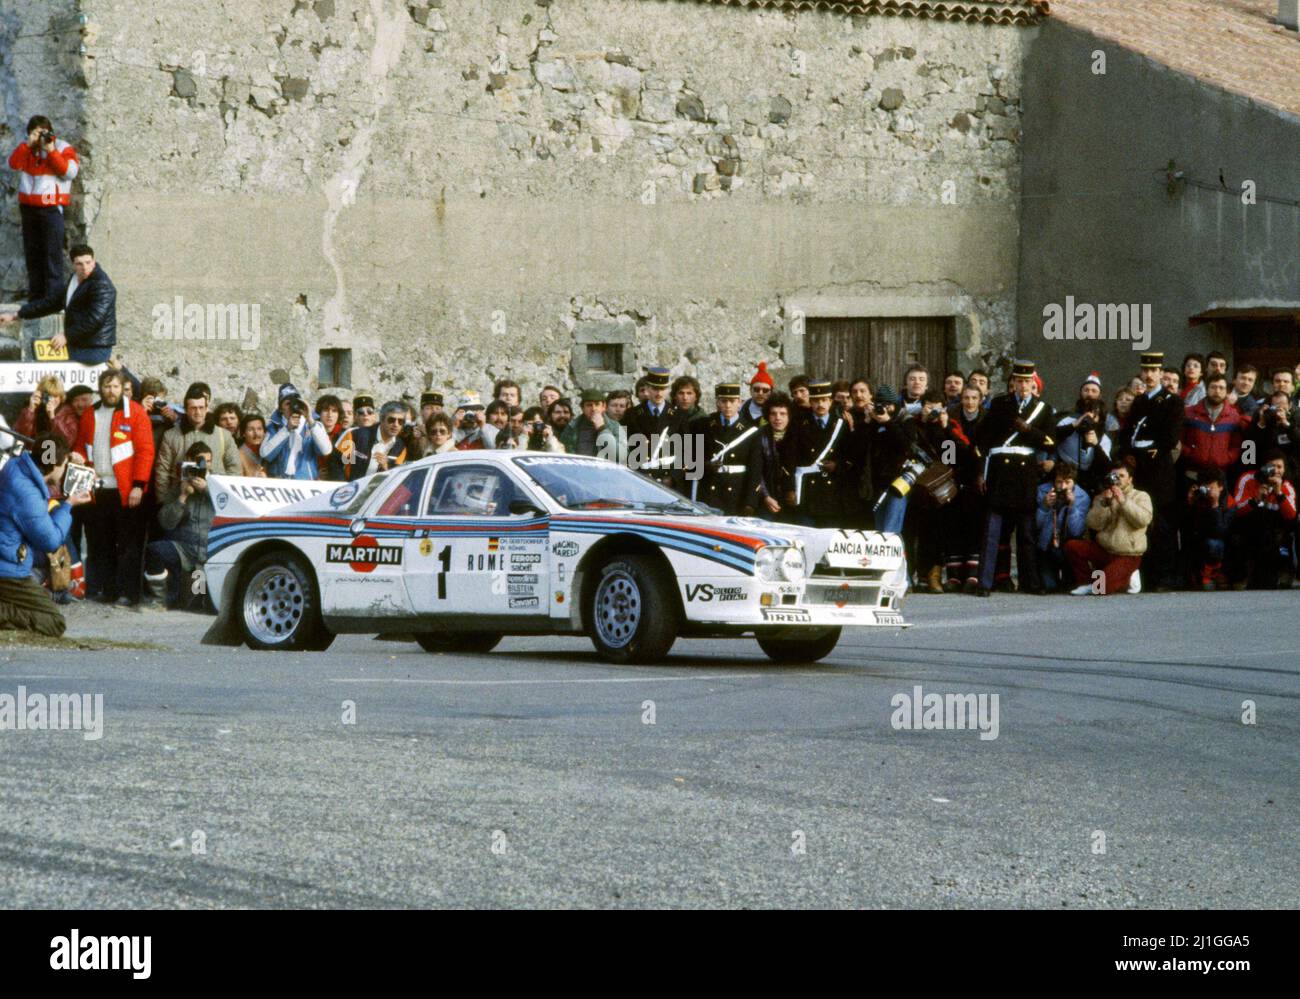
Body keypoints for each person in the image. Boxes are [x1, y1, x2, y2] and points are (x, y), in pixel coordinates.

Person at [72, 369, 155, 606]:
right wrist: (77, 456)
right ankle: (107, 590)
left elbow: (145, 451)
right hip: (98, 489)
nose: (111, 391)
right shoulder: (90, 413)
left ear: (123, 388)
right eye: (107, 386)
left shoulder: (136, 413)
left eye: (116, 386)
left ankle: (128, 593)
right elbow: (81, 446)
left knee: (128, 545)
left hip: (126, 491)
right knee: (101, 542)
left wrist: (139, 486)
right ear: (100, 388)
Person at [973, 359, 1056, 595]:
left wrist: (1029, 430)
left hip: (1024, 472)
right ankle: (985, 583)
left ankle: (1031, 582)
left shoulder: (1044, 409)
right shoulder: (1000, 404)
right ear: (1013, 383)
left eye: (1027, 381)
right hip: (1000, 470)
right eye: (1018, 381)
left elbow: (1050, 441)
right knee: (992, 531)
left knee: (1026, 533)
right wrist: (981, 471)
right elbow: (982, 440)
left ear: (1033, 383)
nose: (1022, 386)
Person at [0, 432, 92, 636]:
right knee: (54, 622)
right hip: (9, 570)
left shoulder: (17, 467)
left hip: (8, 554)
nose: (65, 469)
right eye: (64, 464)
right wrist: (68, 505)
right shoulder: (28, 494)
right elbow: (50, 541)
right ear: (54, 465)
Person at [1121, 350, 1184, 591]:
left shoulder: (1172, 401)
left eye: (1153, 371)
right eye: (1145, 370)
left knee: (1161, 523)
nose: (1149, 375)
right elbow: (1128, 433)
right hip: (1138, 466)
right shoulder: (1139, 401)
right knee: (1139, 521)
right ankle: (1143, 575)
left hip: (1158, 469)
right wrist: (1127, 453)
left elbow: (1169, 438)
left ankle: (1164, 577)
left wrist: (1146, 453)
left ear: (1161, 373)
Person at [0, 244, 116, 364]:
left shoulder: (102, 285)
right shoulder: (75, 279)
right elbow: (51, 303)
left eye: (88, 262)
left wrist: (66, 336)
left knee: (48, 358)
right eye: (79, 264)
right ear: (73, 264)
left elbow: (94, 320)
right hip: (78, 343)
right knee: (39, 350)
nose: (85, 267)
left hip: (95, 347)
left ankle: (121, 371)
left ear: (94, 261)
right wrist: (16, 314)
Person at [7, 116, 79, 301]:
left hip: (51, 209)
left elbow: (69, 172)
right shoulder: (26, 149)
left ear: (51, 131)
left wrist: (51, 150)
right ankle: (36, 298)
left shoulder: (62, 147)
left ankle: (53, 299)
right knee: (33, 255)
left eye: (44, 132)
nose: (40, 137)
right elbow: (14, 165)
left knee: (52, 254)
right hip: (29, 209)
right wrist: (27, 145)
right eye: (36, 133)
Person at [144, 441, 216, 610]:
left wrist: (207, 489)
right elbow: (166, 523)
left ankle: (196, 598)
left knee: (199, 607)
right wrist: (182, 497)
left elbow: (228, 504)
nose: (204, 466)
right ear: (189, 461)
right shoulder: (179, 486)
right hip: (183, 549)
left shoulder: (218, 486)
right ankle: (158, 600)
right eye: (200, 461)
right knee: (156, 550)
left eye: (208, 461)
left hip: (209, 553)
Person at [1065, 458, 1152, 595]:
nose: (1117, 479)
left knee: (1102, 589)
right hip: (1105, 550)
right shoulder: (1102, 497)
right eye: (1114, 476)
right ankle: (1087, 583)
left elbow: (1143, 520)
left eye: (1122, 476)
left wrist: (1123, 502)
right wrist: (1104, 504)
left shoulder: (1141, 496)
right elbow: (1093, 524)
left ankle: (1130, 577)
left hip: (1128, 553)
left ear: (1130, 479)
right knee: (1072, 546)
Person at [153, 383, 241, 500]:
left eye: (201, 407)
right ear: (185, 409)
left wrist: (225, 498)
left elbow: (234, 469)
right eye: (193, 408)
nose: (198, 412)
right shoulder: (170, 436)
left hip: (213, 502)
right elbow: (162, 471)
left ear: (207, 408)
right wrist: (164, 502)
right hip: (181, 501)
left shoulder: (224, 435)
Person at [688, 383, 762, 515]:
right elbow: (690, 459)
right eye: (724, 401)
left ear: (739, 403)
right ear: (717, 402)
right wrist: (705, 466)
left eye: (732, 401)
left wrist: (750, 503)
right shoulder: (703, 425)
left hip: (736, 494)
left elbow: (755, 470)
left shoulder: (751, 431)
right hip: (708, 491)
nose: (728, 406)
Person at [1227, 453, 1296, 589]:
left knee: (1285, 539)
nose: (1276, 471)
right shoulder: (1247, 478)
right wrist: (1255, 500)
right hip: (1250, 529)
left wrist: (1279, 493)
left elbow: (1291, 516)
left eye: (1279, 467)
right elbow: (1237, 510)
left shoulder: (1287, 486)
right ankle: (1241, 575)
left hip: (1276, 534)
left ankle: (1285, 572)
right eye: (1272, 466)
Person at [788, 381, 851, 528]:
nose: (820, 404)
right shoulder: (799, 424)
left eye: (824, 400)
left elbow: (849, 456)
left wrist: (837, 465)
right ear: (810, 402)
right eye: (816, 400)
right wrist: (790, 488)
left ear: (830, 402)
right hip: (805, 492)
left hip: (832, 494)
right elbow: (790, 459)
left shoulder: (841, 424)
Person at [624, 365, 684, 487]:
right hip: (640, 478)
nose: (659, 393)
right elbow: (627, 449)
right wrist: (639, 474)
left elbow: (685, 451)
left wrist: (672, 477)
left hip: (667, 480)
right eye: (655, 388)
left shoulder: (678, 416)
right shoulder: (632, 414)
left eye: (662, 388)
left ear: (668, 390)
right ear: (647, 388)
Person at [1035, 462, 1090, 592]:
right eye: (1059, 482)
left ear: (1074, 482)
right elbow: (1035, 527)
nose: (1063, 486)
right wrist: (1044, 507)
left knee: (1070, 586)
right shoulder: (1042, 491)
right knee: (1050, 586)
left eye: (1067, 482)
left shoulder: (1083, 497)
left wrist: (1072, 507)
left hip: (1067, 547)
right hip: (1046, 546)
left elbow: (1077, 531)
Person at [330, 401, 412, 480]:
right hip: (351, 489)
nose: (396, 424)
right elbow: (335, 464)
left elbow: (397, 477)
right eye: (391, 420)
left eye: (400, 421)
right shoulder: (355, 435)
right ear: (382, 420)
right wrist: (344, 487)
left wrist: (386, 467)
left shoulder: (400, 447)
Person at [1183, 467, 1233, 590]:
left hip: (1222, 541)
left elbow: (1221, 531)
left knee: (1214, 543)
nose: (1207, 490)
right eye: (1205, 486)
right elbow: (1186, 526)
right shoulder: (1200, 498)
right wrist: (1190, 502)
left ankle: (1213, 573)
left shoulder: (1229, 502)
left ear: (1220, 487)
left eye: (1210, 486)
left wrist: (1214, 505)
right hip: (1199, 537)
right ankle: (1195, 575)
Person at [261, 394, 333, 479]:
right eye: (288, 404)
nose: (293, 407)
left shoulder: (314, 425)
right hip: (279, 482)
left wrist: (310, 419)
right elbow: (265, 454)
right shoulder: (273, 427)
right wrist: (286, 429)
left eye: (296, 402)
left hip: (305, 482)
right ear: (280, 409)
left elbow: (326, 450)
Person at [756, 391, 796, 521]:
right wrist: (766, 496)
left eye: (783, 414)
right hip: (767, 499)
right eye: (773, 413)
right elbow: (757, 470)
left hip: (793, 501)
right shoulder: (760, 436)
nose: (778, 418)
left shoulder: (797, 435)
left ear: (789, 416)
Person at [561, 389, 627, 462]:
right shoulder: (572, 427)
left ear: (603, 407)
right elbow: (564, 455)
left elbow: (621, 457)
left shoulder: (615, 427)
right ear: (582, 408)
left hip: (605, 471)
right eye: (589, 405)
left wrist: (602, 429)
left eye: (597, 404)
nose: (593, 409)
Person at [13, 376, 80, 446]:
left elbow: (67, 442)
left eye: (55, 396)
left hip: (55, 454)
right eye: (48, 396)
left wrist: (53, 417)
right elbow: (19, 436)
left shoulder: (68, 413)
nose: (51, 400)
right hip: (33, 452)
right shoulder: (34, 409)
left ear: (60, 397)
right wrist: (30, 411)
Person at [238, 413, 268, 477]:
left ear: (264, 432)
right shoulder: (238, 455)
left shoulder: (267, 453)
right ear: (243, 433)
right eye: (250, 430)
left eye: (259, 429)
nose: (256, 433)